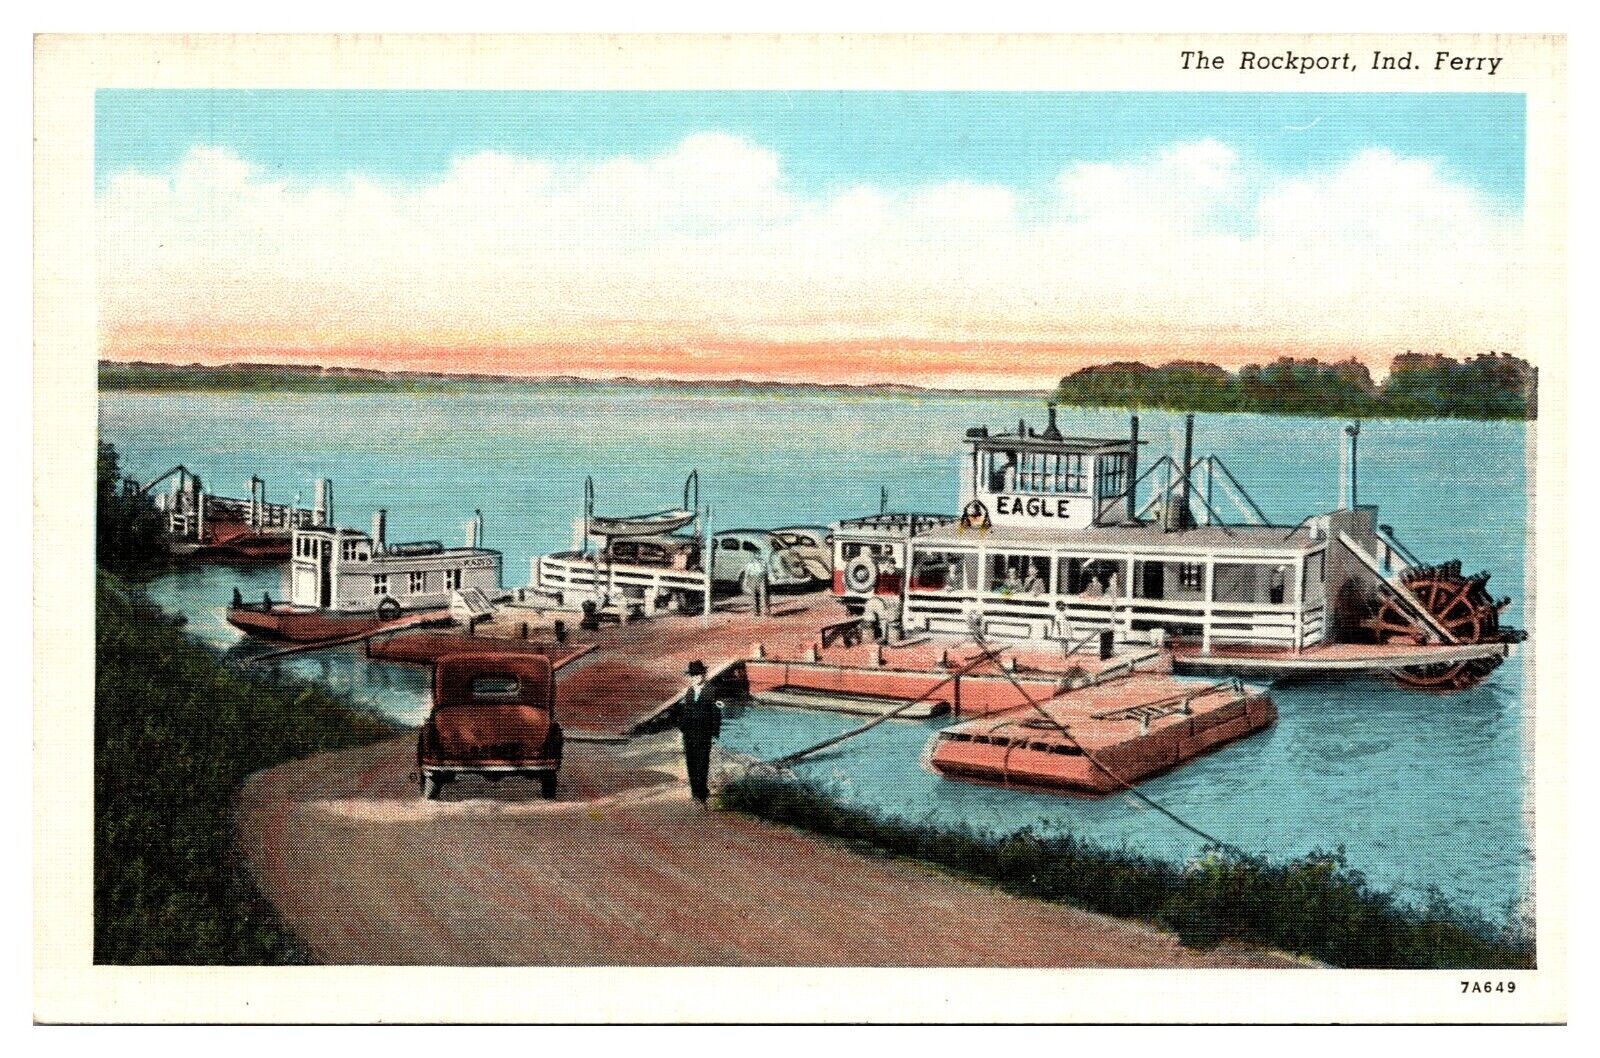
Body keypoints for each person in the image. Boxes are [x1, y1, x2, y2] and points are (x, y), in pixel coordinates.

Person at [677, 659, 722, 805]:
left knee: (702, 764)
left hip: (704, 734)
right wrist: (681, 731)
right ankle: (695, 792)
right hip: (689, 734)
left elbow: (716, 714)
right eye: (692, 675)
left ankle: (702, 795)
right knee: (691, 763)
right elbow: (685, 713)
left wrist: (714, 734)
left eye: (697, 675)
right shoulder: (689, 692)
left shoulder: (712, 691)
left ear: (703, 675)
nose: (695, 678)